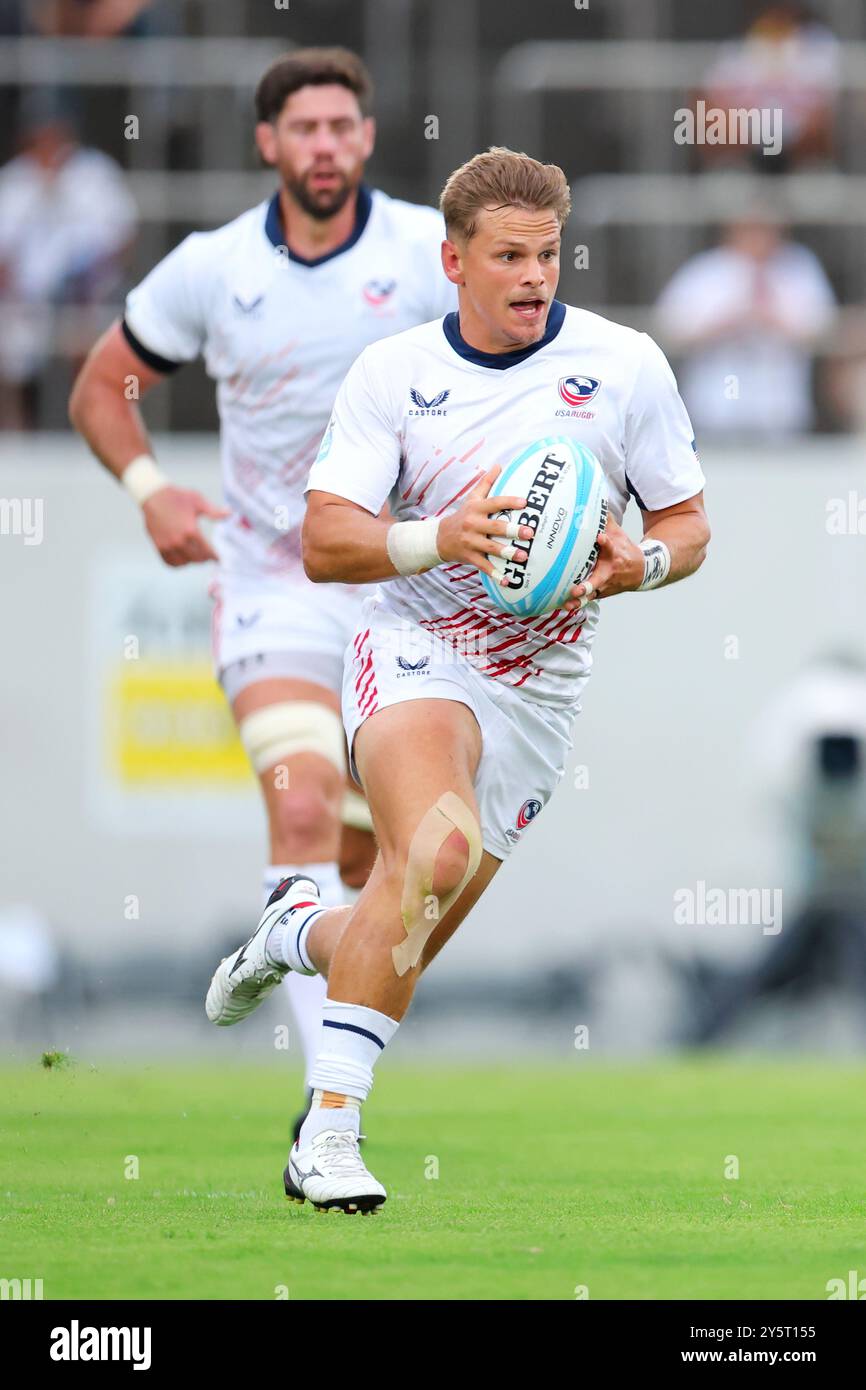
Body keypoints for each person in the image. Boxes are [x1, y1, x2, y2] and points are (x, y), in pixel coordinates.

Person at [205, 146, 710, 1213]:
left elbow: (686, 520)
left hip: (538, 692)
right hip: (412, 648)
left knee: (398, 923)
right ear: (453, 261)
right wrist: (440, 536)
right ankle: (328, 1135)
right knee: (428, 849)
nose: (534, 276)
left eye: (548, 254)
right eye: (509, 255)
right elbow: (326, 542)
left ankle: (294, 928)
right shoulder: (392, 375)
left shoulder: (623, 366)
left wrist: (644, 561)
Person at [68, 47, 456, 1135]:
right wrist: (149, 489)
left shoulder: (426, 253)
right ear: (268, 144)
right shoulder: (213, 266)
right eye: (304, 130)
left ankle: (293, 958)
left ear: (367, 138)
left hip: (399, 593)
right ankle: (325, 1105)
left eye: (342, 127)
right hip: (272, 585)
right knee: (297, 807)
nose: (324, 147)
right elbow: (104, 386)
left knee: (389, 865)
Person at [0, 107, 136, 429]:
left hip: (86, 291)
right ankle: (15, 434)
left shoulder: (95, 174)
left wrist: (87, 281)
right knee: (11, 336)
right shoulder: (14, 180)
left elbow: (123, 239)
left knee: (94, 335)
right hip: (26, 298)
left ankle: (92, 430)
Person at [655, 211, 835, 439]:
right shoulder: (706, 270)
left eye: (766, 230)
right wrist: (727, 322)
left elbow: (824, 331)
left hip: (780, 410)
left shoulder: (799, 267)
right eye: (750, 230)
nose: (758, 239)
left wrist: (772, 319)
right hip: (715, 407)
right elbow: (671, 329)